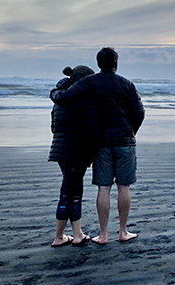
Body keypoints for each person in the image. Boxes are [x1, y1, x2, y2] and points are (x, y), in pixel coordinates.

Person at [50, 47, 145, 245]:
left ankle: (103, 235)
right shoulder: (127, 84)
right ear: (116, 64)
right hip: (125, 142)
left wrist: (55, 91)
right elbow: (139, 112)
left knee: (104, 188)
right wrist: (130, 131)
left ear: (98, 63)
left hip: (103, 143)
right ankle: (123, 231)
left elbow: (65, 97)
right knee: (123, 187)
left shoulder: (89, 82)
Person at [48, 65, 100, 247]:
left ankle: (71, 234)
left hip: (60, 150)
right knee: (71, 193)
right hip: (77, 152)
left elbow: (53, 127)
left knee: (70, 190)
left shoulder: (59, 99)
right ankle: (64, 236)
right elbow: (93, 130)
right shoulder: (85, 100)